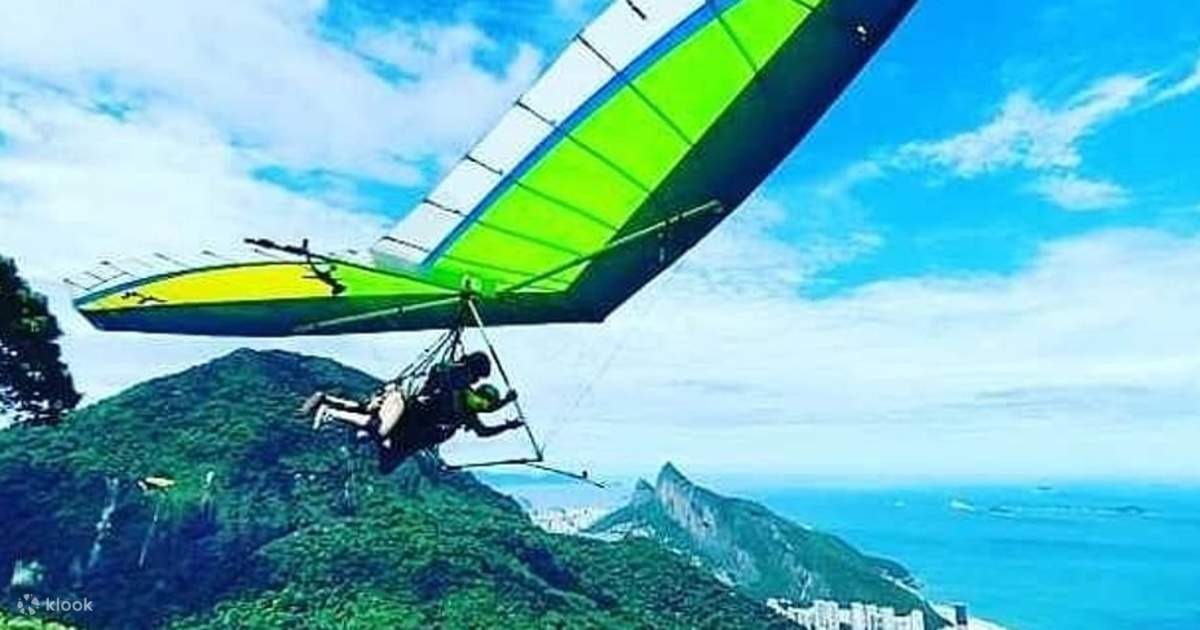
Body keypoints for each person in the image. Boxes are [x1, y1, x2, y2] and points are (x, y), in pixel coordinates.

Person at [301, 351, 525, 471]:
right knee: (377, 428)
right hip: (402, 405)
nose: (474, 381)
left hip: (408, 430)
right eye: (475, 378)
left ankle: (328, 400)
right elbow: (449, 378)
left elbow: (483, 429)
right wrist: (465, 369)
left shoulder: (465, 413)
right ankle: (329, 410)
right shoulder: (455, 386)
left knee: (385, 459)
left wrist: (507, 421)